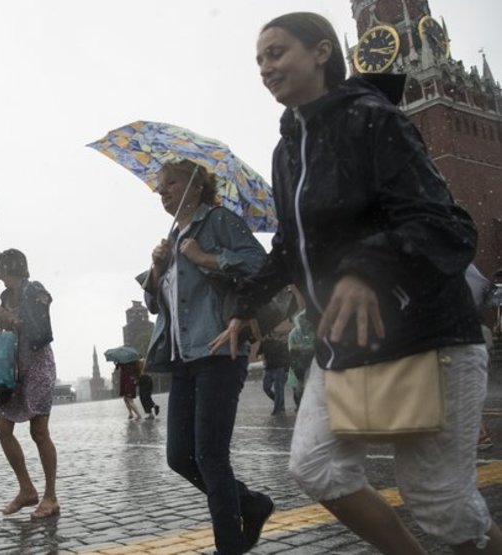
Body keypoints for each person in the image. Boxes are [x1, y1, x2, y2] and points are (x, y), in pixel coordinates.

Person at [212, 12, 502, 554]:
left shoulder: (371, 117)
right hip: (346, 337)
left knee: (440, 501)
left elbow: (445, 223)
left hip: (427, 331)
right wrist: (246, 305)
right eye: (258, 60)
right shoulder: (287, 148)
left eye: (276, 53)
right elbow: (290, 246)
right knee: (316, 466)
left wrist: (367, 270)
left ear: (322, 51)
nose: (265, 68)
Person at [142, 158, 273, 553]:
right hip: (184, 360)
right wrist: (157, 266)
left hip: (219, 351)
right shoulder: (172, 235)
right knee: (180, 456)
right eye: (160, 186)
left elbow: (259, 264)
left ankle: (228, 547)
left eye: (171, 183)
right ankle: (251, 504)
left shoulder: (217, 221)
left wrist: (203, 258)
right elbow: (154, 303)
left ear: (197, 186)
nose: (162, 191)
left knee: (211, 456)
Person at [0, 248, 60, 520]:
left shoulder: (35, 290)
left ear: (14, 268)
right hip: (13, 370)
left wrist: (6, 315)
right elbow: (1, 329)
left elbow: (37, 326)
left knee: (39, 432)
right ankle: (27, 489)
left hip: (38, 367)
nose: (0, 276)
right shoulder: (3, 296)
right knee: (2, 428)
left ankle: (51, 497)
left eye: (2, 270)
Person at [287, 309, 314, 410]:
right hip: (297, 364)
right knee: (297, 388)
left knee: (308, 388)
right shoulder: (293, 334)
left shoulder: (312, 332)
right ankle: (299, 406)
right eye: (302, 320)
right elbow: (291, 349)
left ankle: (305, 406)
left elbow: (315, 346)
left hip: (310, 364)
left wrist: (301, 347)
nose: (305, 322)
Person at [257, 333, 289, 416]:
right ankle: (279, 402)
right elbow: (258, 353)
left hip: (279, 368)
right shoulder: (264, 343)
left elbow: (287, 356)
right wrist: (261, 357)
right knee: (266, 387)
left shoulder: (280, 343)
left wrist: (286, 369)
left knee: (278, 390)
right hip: (268, 369)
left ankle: (277, 409)